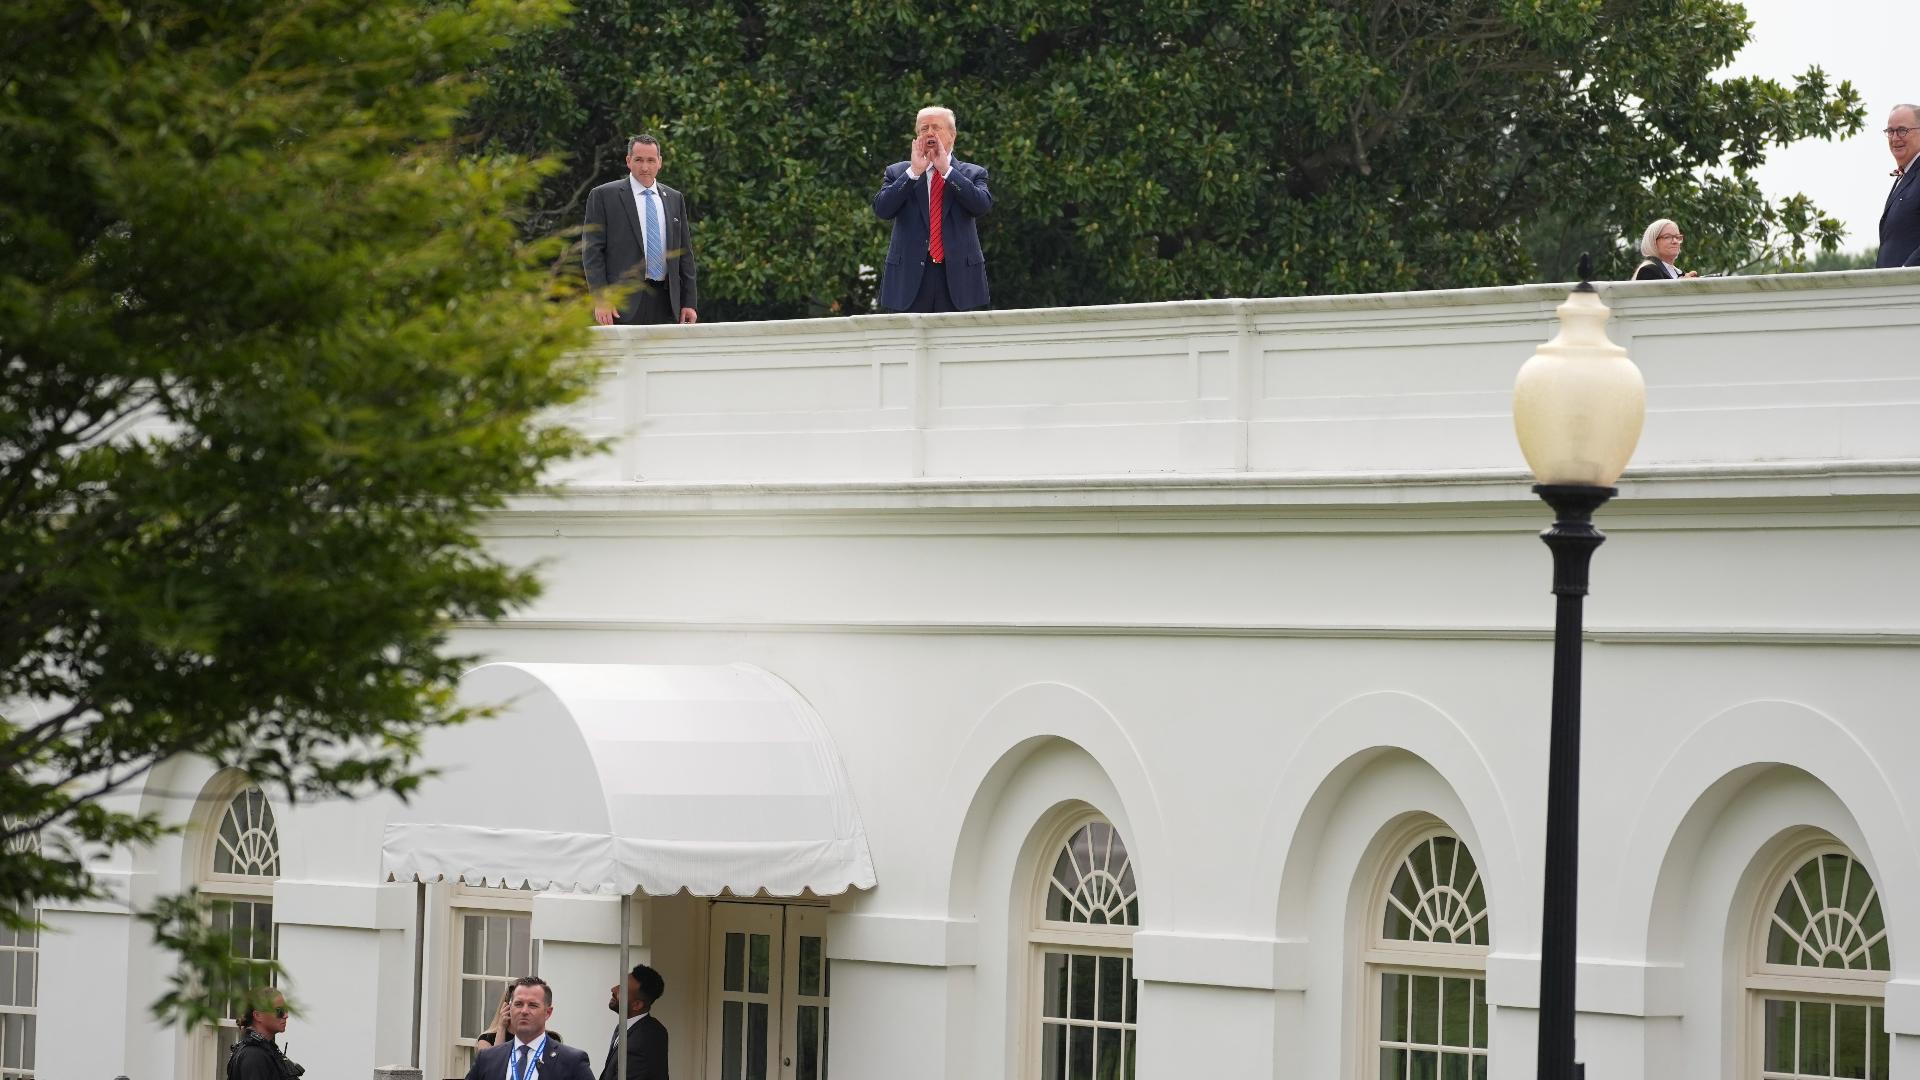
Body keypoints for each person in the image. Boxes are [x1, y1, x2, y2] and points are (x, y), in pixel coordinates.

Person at [872, 106, 993, 313]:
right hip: (909, 278)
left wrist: (947, 171)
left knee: (957, 343)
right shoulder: (898, 172)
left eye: (936, 128)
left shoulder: (973, 173)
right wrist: (914, 173)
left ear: (952, 135)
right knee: (909, 344)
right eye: (923, 129)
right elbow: (882, 209)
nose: (929, 133)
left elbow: (981, 206)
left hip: (958, 279)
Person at [584, 135, 700, 326]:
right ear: (628, 161)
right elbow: (592, 253)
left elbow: (685, 254)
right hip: (620, 305)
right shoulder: (604, 196)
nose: (645, 167)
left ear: (660, 162)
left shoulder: (674, 198)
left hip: (667, 303)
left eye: (650, 160)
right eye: (639, 160)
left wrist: (689, 302)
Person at [466, 976, 594, 1080]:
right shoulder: (487, 1058)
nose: (524, 1011)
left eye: (532, 1005)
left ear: (548, 1012)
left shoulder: (572, 1061)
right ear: (509, 1009)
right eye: (518, 1004)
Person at [601, 963, 670, 1080]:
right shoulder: (629, 1027)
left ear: (637, 1005)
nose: (613, 989)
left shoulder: (646, 1037)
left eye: (622, 989)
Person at [226, 989, 305, 1080]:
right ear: (258, 1015)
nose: (286, 1015)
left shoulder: (266, 1049)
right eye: (279, 1011)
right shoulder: (254, 1056)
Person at [1878, 103, 1920, 269]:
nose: (1895, 138)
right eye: (1890, 131)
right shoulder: (1904, 176)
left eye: (1902, 130)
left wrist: (1905, 273)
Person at [1632, 219, 1698, 280]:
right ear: (1653, 242)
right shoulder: (1648, 270)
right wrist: (1683, 286)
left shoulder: (1678, 273)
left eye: (1677, 237)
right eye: (1667, 237)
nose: (1675, 241)